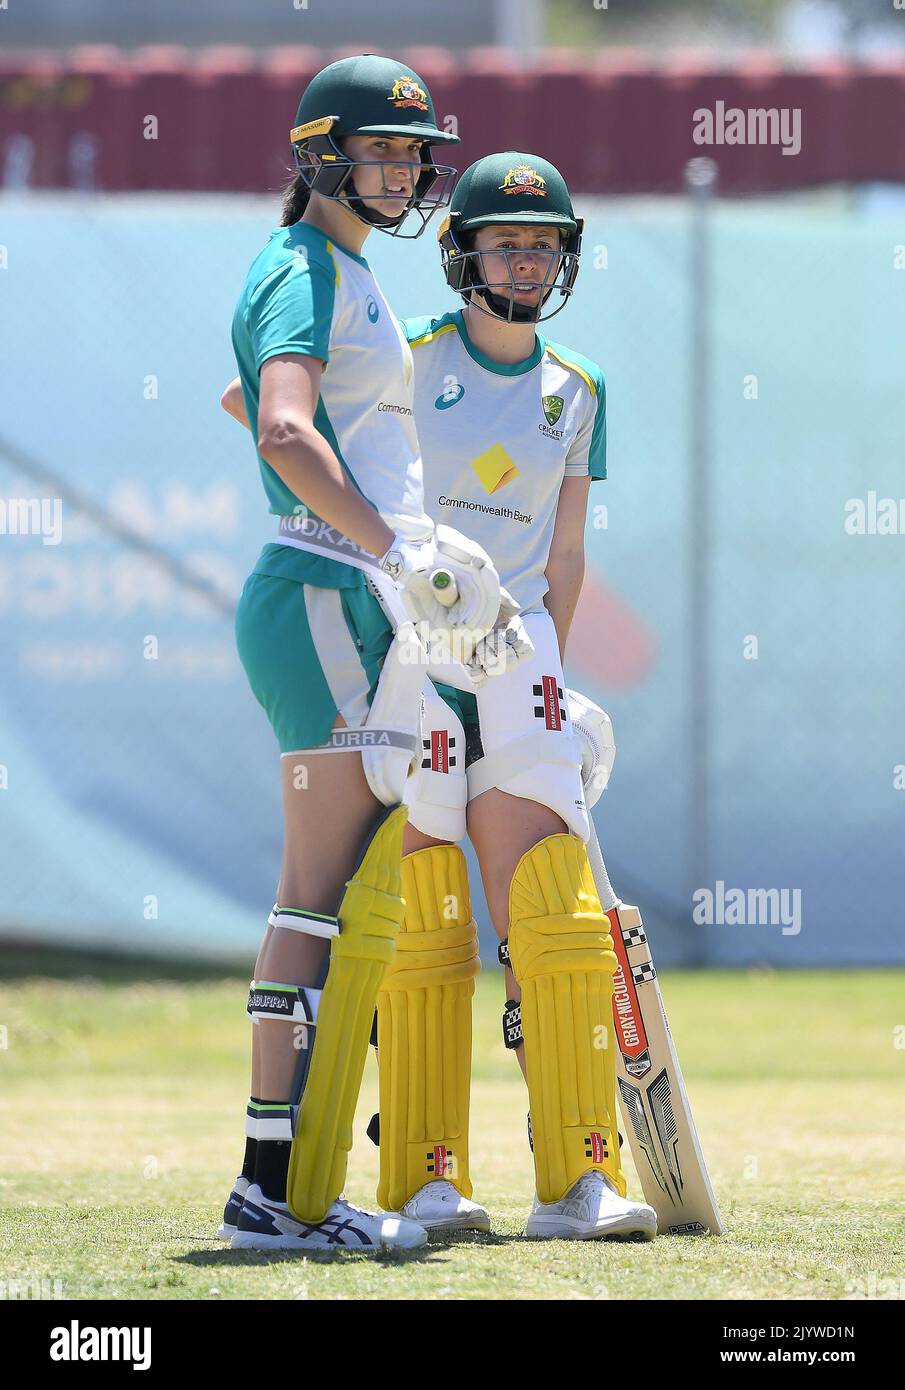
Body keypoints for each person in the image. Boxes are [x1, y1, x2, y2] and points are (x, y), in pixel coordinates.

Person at [219, 54, 512, 1254]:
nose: (402, 168)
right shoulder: (300, 266)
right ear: (320, 155)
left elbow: (251, 408)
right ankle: (273, 1189)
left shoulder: (334, 270)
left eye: (410, 150)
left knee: (342, 891)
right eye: (380, 150)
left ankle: (284, 1178)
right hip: (325, 594)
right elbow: (282, 425)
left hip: (340, 592)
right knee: (323, 895)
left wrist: (388, 551)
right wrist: (390, 545)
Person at [375, 153, 659, 1240]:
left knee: (550, 902)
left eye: (544, 243)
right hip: (413, 644)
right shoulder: (401, 357)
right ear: (462, 254)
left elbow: (568, 552)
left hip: (518, 650)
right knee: (428, 901)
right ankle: (422, 1176)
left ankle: (578, 1179)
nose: (528, 261)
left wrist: (549, 677)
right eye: (507, 242)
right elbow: (270, 420)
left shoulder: (575, 386)